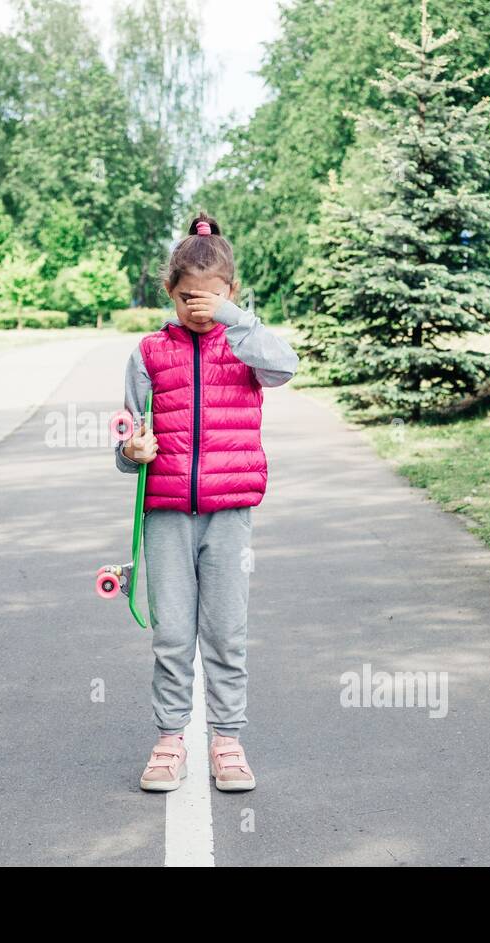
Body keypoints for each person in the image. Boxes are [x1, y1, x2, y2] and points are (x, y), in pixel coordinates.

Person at [116, 212, 298, 793]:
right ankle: (170, 739)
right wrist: (131, 452)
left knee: (225, 631)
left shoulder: (248, 346)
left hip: (229, 514)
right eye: (189, 297)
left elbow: (286, 367)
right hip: (166, 513)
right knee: (171, 633)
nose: (200, 308)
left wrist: (236, 320)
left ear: (232, 294)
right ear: (169, 291)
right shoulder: (147, 353)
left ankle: (227, 740)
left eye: (214, 298)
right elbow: (127, 439)